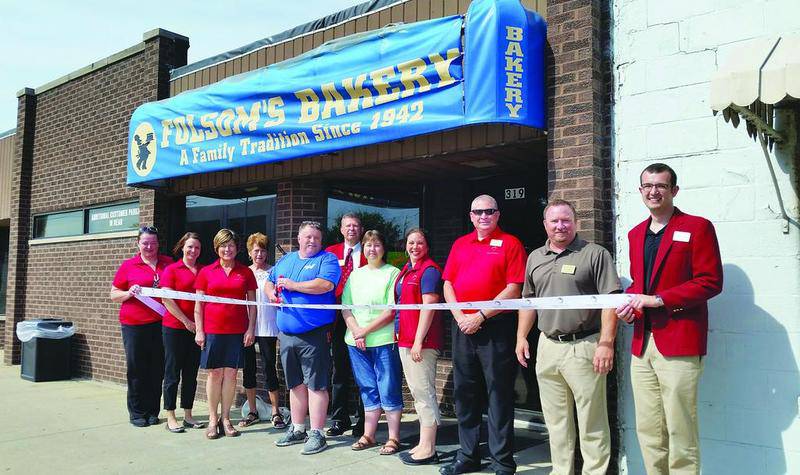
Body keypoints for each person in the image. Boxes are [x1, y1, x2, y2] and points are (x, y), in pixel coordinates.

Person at [616, 163, 723, 474]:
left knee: (680, 429)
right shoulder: (636, 234)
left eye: (661, 185)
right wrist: (630, 306)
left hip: (679, 341)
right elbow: (640, 283)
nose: (654, 191)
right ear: (640, 191)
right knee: (648, 430)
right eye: (648, 186)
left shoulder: (697, 227)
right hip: (641, 344)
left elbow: (710, 281)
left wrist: (659, 299)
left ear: (674, 190)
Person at [515, 199, 622, 474]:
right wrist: (521, 337)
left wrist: (606, 343)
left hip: (585, 346)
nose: (560, 225)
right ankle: (561, 471)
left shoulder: (595, 254)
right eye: (554, 221)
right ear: (545, 224)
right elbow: (529, 302)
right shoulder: (535, 257)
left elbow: (610, 301)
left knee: (592, 420)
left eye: (566, 220)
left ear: (575, 222)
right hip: (548, 346)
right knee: (556, 421)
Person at [440, 195, 527, 475]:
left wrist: (479, 316)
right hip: (462, 326)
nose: (484, 216)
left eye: (489, 211)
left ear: (498, 214)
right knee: (465, 394)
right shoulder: (460, 244)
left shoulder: (510, 244)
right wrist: (461, 318)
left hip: (495, 327)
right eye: (478, 212)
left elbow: (514, 288)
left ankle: (502, 461)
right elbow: (448, 283)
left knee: (498, 394)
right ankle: (468, 456)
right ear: (471, 215)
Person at [265, 221, 341, 455]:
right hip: (287, 335)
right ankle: (298, 428)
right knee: (295, 383)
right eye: (307, 237)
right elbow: (270, 281)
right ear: (298, 238)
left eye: (316, 238)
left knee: (316, 385)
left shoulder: (326, 260)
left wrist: (293, 285)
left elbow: (325, 285)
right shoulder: (286, 260)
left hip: (314, 335)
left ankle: (317, 433)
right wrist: (271, 295)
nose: (312, 241)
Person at [340, 230, 402, 455]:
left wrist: (364, 331)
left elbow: (391, 310)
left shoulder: (393, 273)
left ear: (383, 248)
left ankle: (394, 438)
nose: (372, 249)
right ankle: (369, 435)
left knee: (388, 387)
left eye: (376, 245)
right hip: (356, 342)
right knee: (367, 388)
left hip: (383, 341)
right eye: (367, 245)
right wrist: (356, 332)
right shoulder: (355, 275)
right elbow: (345, 306)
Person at [194, 229, 257, 440]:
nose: (227, 249)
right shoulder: (206, 272)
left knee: (231, 374)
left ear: (237, 248)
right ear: (216, 248)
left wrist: (251, 329)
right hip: (212, 331)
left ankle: (226, 418)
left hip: (237, 331)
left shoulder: (245, 272)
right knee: (214, 374)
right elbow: (198, 305)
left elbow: (252, 305)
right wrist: (200, 330)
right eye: (223, 245)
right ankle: (213, 419)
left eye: (231, 245)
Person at [110, 225, 172, 428]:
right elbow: (114, 294)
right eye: (145, 243)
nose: (149, 246)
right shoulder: (129, 265)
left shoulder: (168, 264)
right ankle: (137, 412)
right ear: (138, 243)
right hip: (134, 326)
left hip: (161, 324)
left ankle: (153, 410)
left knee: (157, 369)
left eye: (153, 243)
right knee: (137, 369)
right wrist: (129, 293)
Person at [394, 228, 444, 466]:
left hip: (420, 344)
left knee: (424, 393)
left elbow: (429, 306)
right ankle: (424, 442)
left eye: (420, 243)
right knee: (417, 392)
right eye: (411, 242)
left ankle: (429, 447)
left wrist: (418, 341)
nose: (415, 246)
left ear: (428, 246)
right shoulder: (406, 270)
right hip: (405, 339)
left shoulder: (429, 270)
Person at [325, 213, 367, 437]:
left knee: (363, 372)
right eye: (347, 226)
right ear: (341, 229)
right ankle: (340, 419)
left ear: (361, 230)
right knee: (339, 371)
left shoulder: (370, 251)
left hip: (363, 319)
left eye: (355, 226)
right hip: (338, 319)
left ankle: (363, 421)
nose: (351, 229)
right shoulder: (330, 253)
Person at [239, 232, 286, 430]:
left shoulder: (273, 272)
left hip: (268, 326)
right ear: (250, 253)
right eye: (256, 250)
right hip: (246, 327)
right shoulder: (242, 272)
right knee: (248, 369)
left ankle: (275, 412)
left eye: (263, 250)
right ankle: (252, 411)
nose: (259, 254)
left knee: (269, 368)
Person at [160, 232, 205, 433]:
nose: (193, 251)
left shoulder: (204, 271)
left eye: (196, 247)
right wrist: (186, 321)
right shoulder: (171, 270)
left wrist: (198, 325)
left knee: (191, 373)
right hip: (175, 328)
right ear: (182, 247)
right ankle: (170, 414)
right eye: (189, 247)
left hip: (196, 331)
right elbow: (166, 299)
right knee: (172, 373)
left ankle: (188, 415)